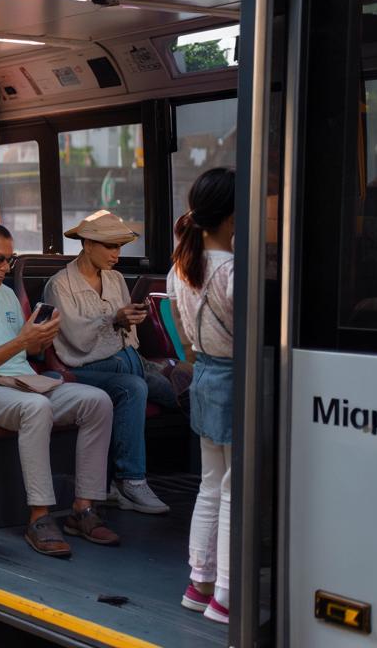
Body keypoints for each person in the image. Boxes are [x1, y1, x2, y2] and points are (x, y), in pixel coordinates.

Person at [0, 220, 117, 558]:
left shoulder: (5, 296)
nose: (5, 268)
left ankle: (83, 508)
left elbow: (27, 352)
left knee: (98, 401)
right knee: (37, 408)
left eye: (10, 260)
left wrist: (39, 340)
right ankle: (39, 516)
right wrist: (22, 341)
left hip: (24, 381)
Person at [43, 210, 178, 515]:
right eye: (110, 246)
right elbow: (75, 338)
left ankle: (129, 480)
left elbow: (126, 334)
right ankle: (132, 478)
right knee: (135, 379)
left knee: (139, 382)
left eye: (119, 247)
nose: (116, 255)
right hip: (79, 366)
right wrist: (114, 319)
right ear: (87, 244)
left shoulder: (116, 279)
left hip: (120, 362)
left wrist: (130, 318)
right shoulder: (59, 285)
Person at [168, 167, 236, 624]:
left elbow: (186, 340)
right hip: (233, 381)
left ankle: (200, 583)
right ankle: (227, 595)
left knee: (210, 486)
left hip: (204, 379)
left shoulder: (181, 268)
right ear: (232, 215)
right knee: (236, 490)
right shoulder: (232, 270)